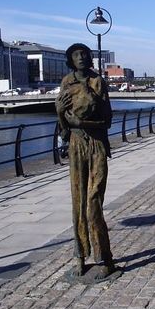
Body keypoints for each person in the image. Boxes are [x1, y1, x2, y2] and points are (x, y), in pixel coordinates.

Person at [55, 43, 116, 279]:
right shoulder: (66, 83)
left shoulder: (98, 82)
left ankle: (103, 257)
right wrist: (61, 113)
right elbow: (64, 129)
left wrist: (83, 124)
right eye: (76, 54)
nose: (81, 57)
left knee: (93, 203)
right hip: (76, 146)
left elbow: (107, 121)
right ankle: (80, 255)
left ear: (90, 57)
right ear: (70, 59)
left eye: (84, 54)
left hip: (97, 146)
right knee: (78, 203)